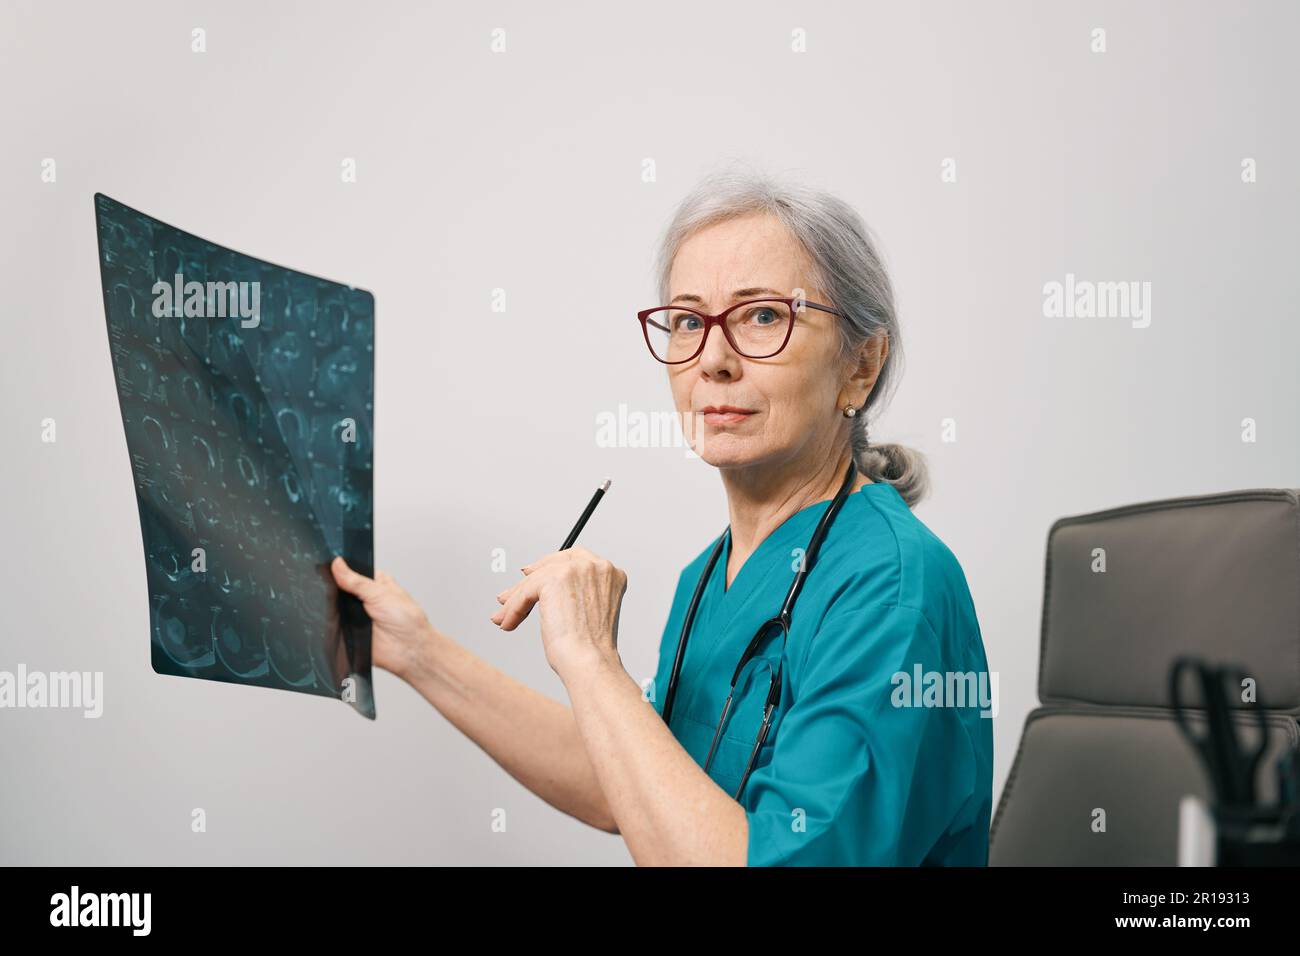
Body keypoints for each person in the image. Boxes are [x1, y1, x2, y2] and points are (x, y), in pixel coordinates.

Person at [332, 166, 993, 866]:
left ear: (861, 365)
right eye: (687, 321)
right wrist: (417, 651)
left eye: (763, 315)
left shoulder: (890, 585)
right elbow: (625, 783)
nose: (713, 360)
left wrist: (591, 660)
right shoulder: (710, 575)